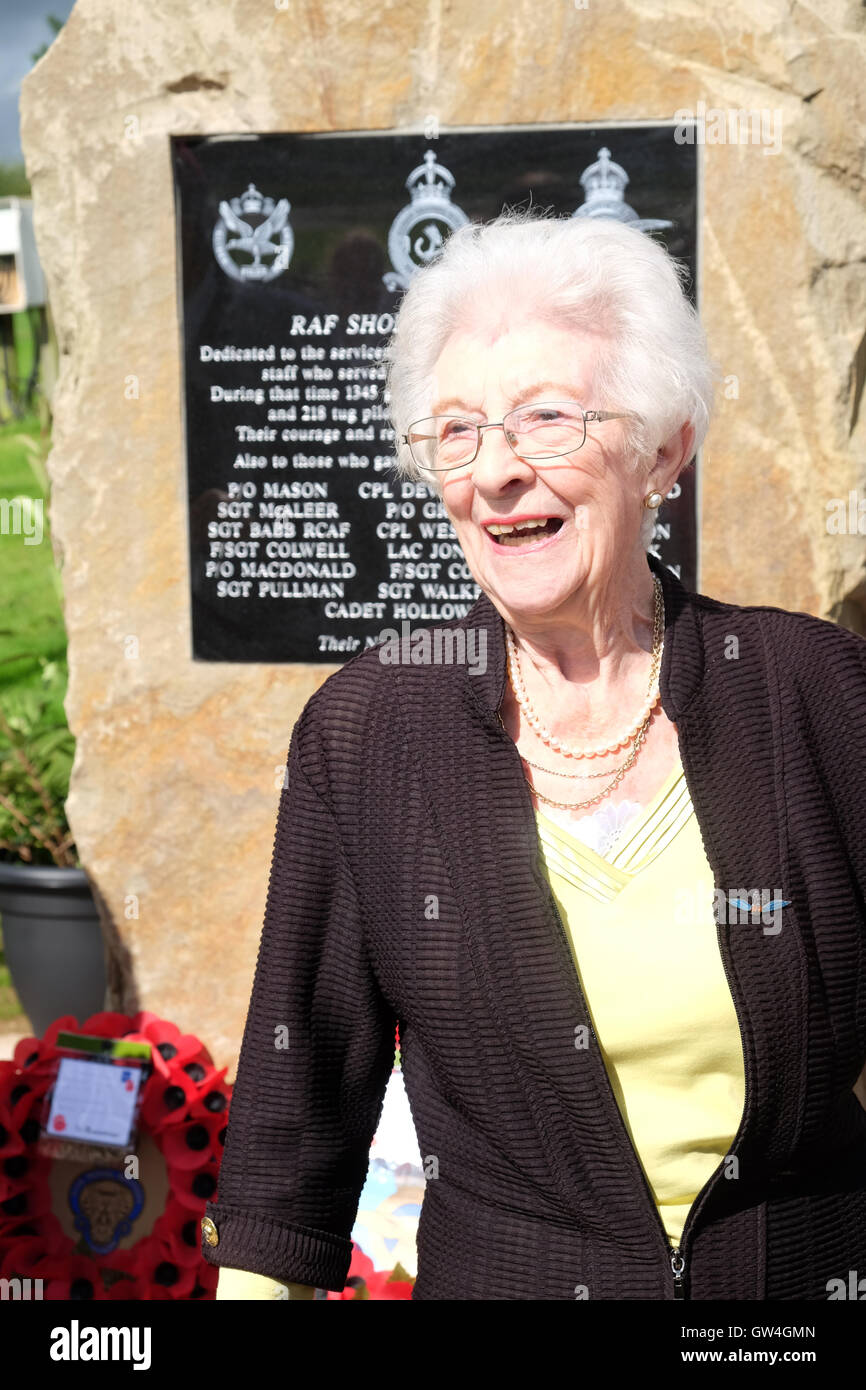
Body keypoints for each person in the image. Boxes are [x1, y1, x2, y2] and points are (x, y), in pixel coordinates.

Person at [202, 209, 866, 1300]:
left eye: (545, 418)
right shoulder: (369, 734)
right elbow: (295, 1117)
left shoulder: (815, 694)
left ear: (663, 447)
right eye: (455, 431)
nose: (495, 471)